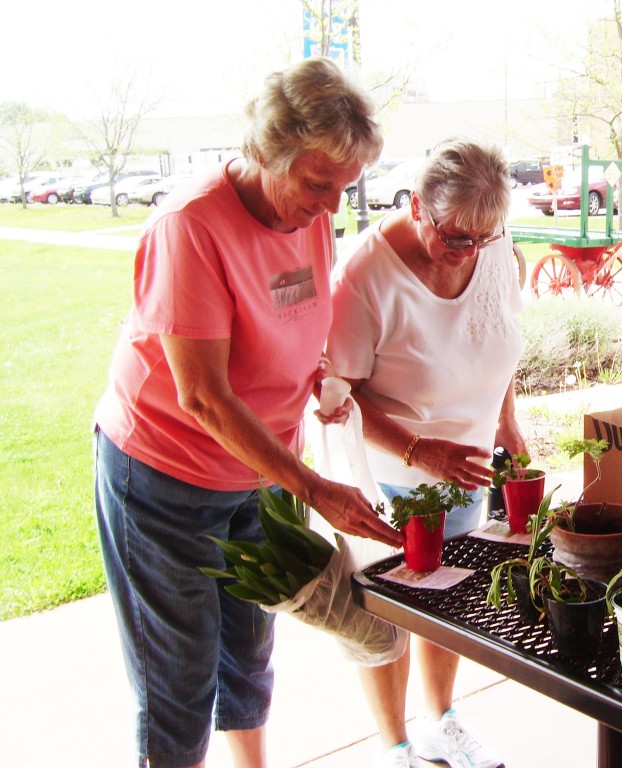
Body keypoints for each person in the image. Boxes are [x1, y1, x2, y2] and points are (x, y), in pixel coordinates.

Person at [93, 57, 402, 768]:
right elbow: (201, 393)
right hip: (165, 476)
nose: (330, 207)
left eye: (344, 189)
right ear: (268, 150)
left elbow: (293, 317)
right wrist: (313, 487)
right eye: (317, 183)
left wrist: (317, 384)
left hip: (254, 474)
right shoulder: (192, 226)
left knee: (248, 650)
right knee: (177, 677)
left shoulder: (310, 215)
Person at [325, 137, 526, 768]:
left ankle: (441, 720)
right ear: (417, 207)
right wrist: (418, 450)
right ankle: (395, 746)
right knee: (386, 622)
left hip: (464, 467)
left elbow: (501, 339)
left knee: (454, 599)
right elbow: (340, 398)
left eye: (484, 238)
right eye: (456, 238)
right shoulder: (364, 276)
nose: (471, 251)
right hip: (389, 475)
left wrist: (507, 423)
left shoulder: (493, 247)